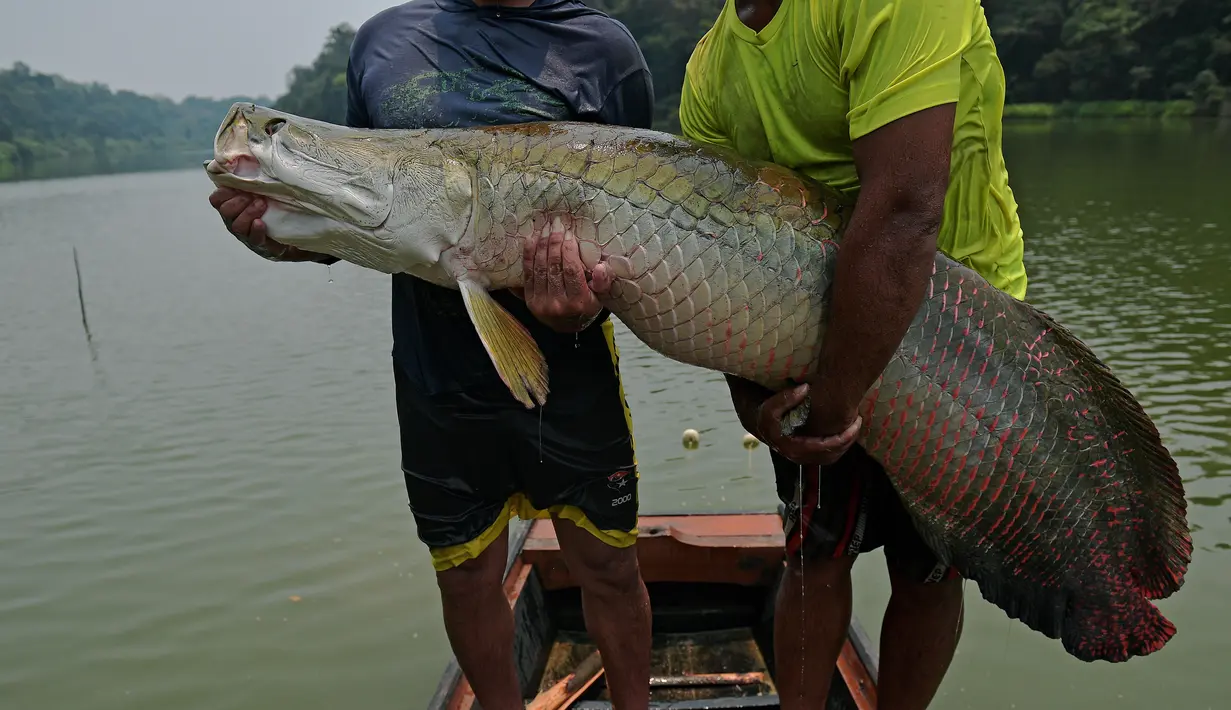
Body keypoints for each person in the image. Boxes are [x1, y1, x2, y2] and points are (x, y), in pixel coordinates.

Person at [206, 2, 656, 708]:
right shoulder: (383, 42)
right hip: (434, 377)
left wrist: (589, 300)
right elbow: (366, 212)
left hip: (572, 369)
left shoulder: (604, 48)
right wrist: (280, 234)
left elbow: (641, 219)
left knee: (607, 567)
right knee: (465, 577)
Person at [675, 1, 1029, 708]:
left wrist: (830, 406)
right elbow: (717, 251)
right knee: (814, 553)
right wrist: (753, 404)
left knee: (926, 568)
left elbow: (904, 208)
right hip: (801, 334)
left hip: (959, 334)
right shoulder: (709, 67)